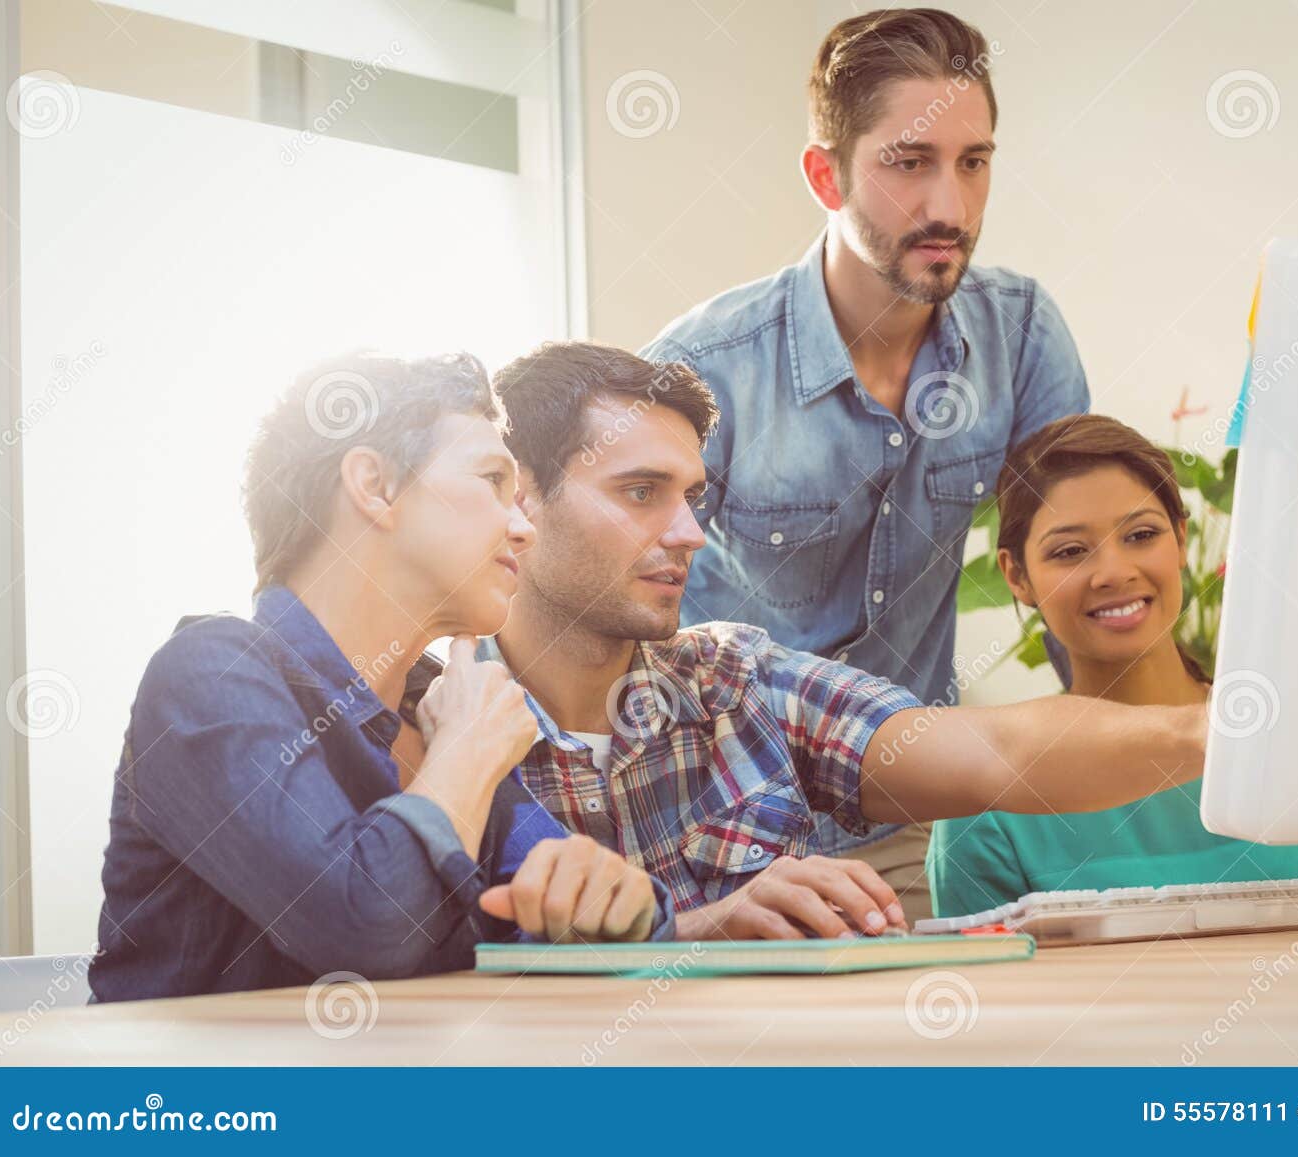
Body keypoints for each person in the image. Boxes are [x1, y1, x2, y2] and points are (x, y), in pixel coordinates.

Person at [482, 341, 1204, 942]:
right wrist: (701, 932)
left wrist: (1224, 730)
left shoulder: (735, 680)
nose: (688, 533)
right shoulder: (428, 734)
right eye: (642, 492)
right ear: (519, 499)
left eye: (691, 496)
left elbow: (1000, 751)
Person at [638, 8, 1088, 922]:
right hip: (722, 845)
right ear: (825, 173)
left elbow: (1080, 565)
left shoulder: (1024, 336)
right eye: (908, 163)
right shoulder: (707, 369)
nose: (949, 209)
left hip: (905, 837)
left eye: (974, 162)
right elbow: (609, 620)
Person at [91, 352, 669, 1002]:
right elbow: (365, 927)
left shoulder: (437, 703)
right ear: (375, 485)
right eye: (489, 480)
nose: (523, 528)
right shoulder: (207, 676)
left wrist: (620, 903)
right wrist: (466, 755)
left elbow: (581, 923)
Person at [927, 414, 1298, 919]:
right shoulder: (987, 812)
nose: (1115, 572)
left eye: (1141, 535)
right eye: (1071, 551)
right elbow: (1003, 994)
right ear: (1017, 576)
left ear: (1181, 540)